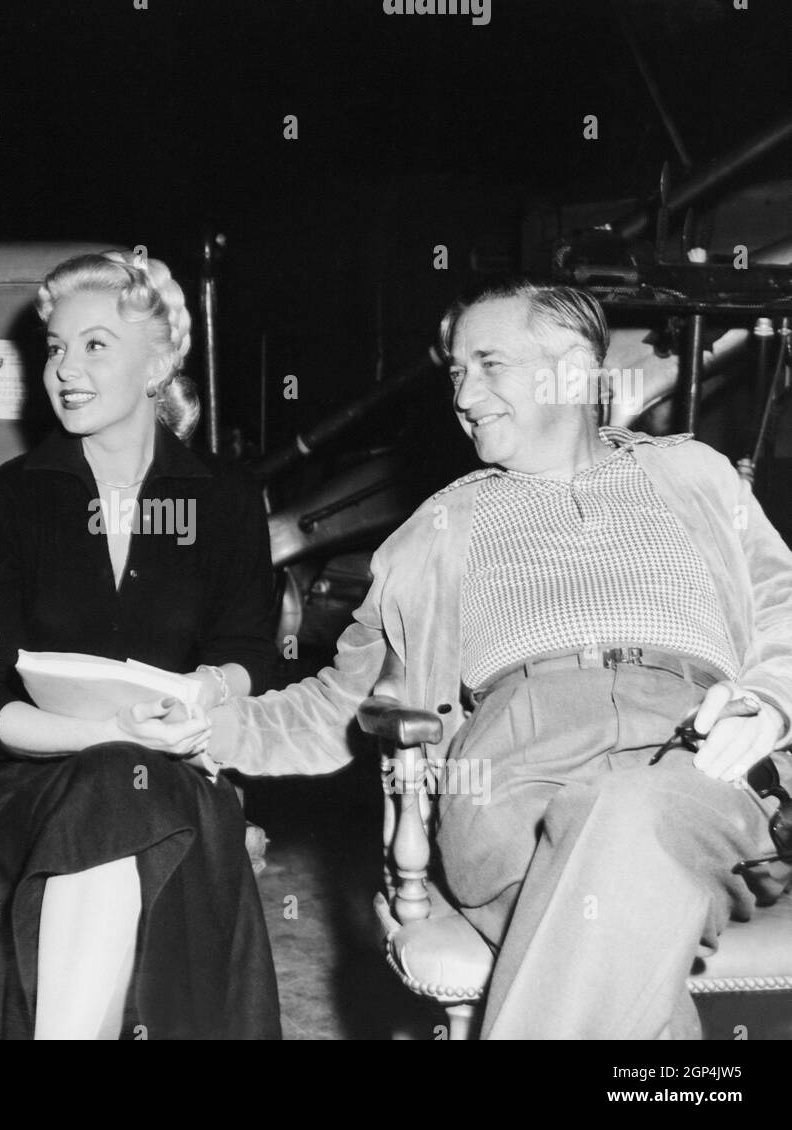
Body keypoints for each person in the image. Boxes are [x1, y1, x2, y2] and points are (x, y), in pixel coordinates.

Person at [204, 282, 792, 1039]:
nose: (464, 393)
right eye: (455, 372)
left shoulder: (695, 476)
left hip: (694, 757)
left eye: (488, 364)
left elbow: (784, 601)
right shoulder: (435, 529)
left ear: (576, 370)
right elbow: (337, 705)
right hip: (513, 782)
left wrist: (769, 697)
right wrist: (204, 721)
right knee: (617, 929)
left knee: (624, 824)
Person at [0, 250, 281, 1039]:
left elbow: (251, 651)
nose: (64, 370)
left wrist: (201, 696)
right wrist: (114, 733)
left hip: (171, 767)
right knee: (119, 782)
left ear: (159, 362)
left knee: (128, 787)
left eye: (95, 345)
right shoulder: (4, 505)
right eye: (55, 347)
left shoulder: (222, 501)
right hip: (15, 783)